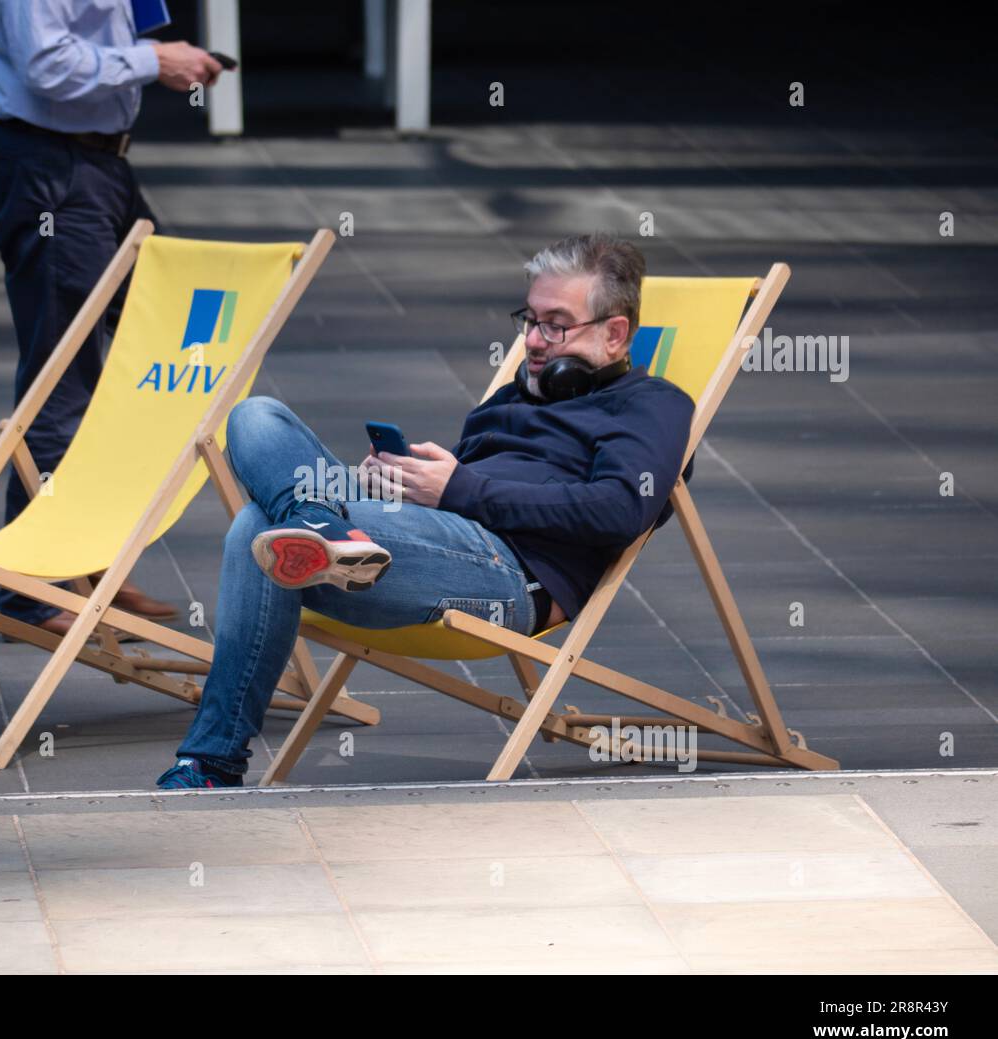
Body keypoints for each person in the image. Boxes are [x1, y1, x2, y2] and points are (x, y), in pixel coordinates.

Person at [156, 233, 699, 789]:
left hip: (511, 575)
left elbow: (620, 509)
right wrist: (397, 482)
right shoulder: (515, 396)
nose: (534, 341)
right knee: (257, 414)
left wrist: (459, 490)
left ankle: (212, 761)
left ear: (615, 334)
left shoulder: (651, 405)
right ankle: (321, 520)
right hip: (432, 540)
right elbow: (456, 493)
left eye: (556, 324)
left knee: (256, 525)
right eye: (530, 319)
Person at [0, 0, 224, 637]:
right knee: (64, 376)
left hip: (100, 167)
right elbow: (45, 65)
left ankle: (82, 560)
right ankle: (32, 586)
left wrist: (163, 57)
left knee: (175, 335)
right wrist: (153, 59)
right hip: (49, 169)